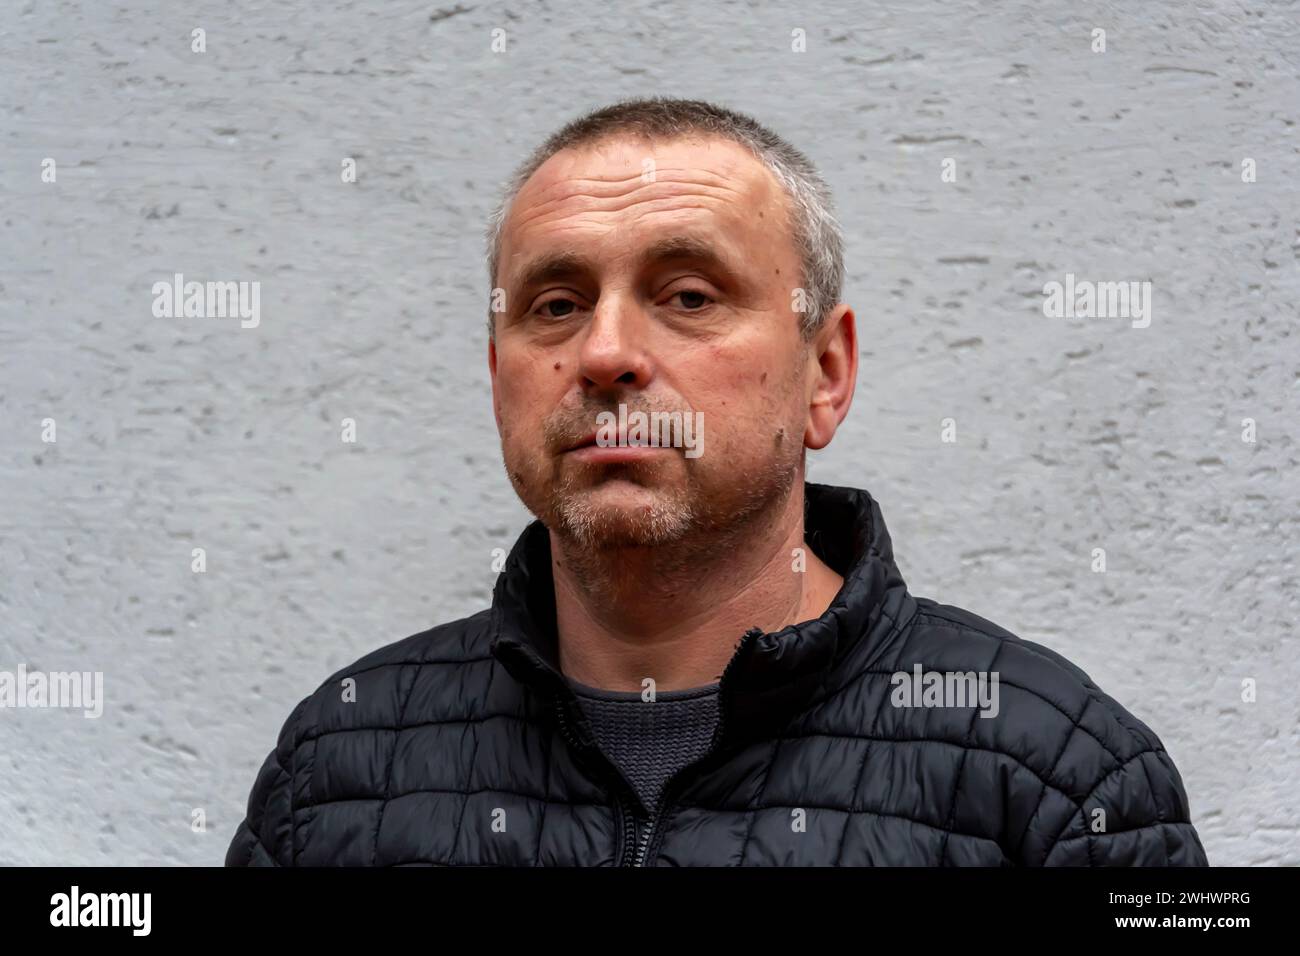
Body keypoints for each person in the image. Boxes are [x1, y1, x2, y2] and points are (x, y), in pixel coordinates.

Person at [227, 97, 1207, 866]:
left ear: (824, 371)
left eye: (689, 295)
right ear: (498, 379)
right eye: (556, 304)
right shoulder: (341, 761)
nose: (604, 351)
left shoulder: (1056, 775)